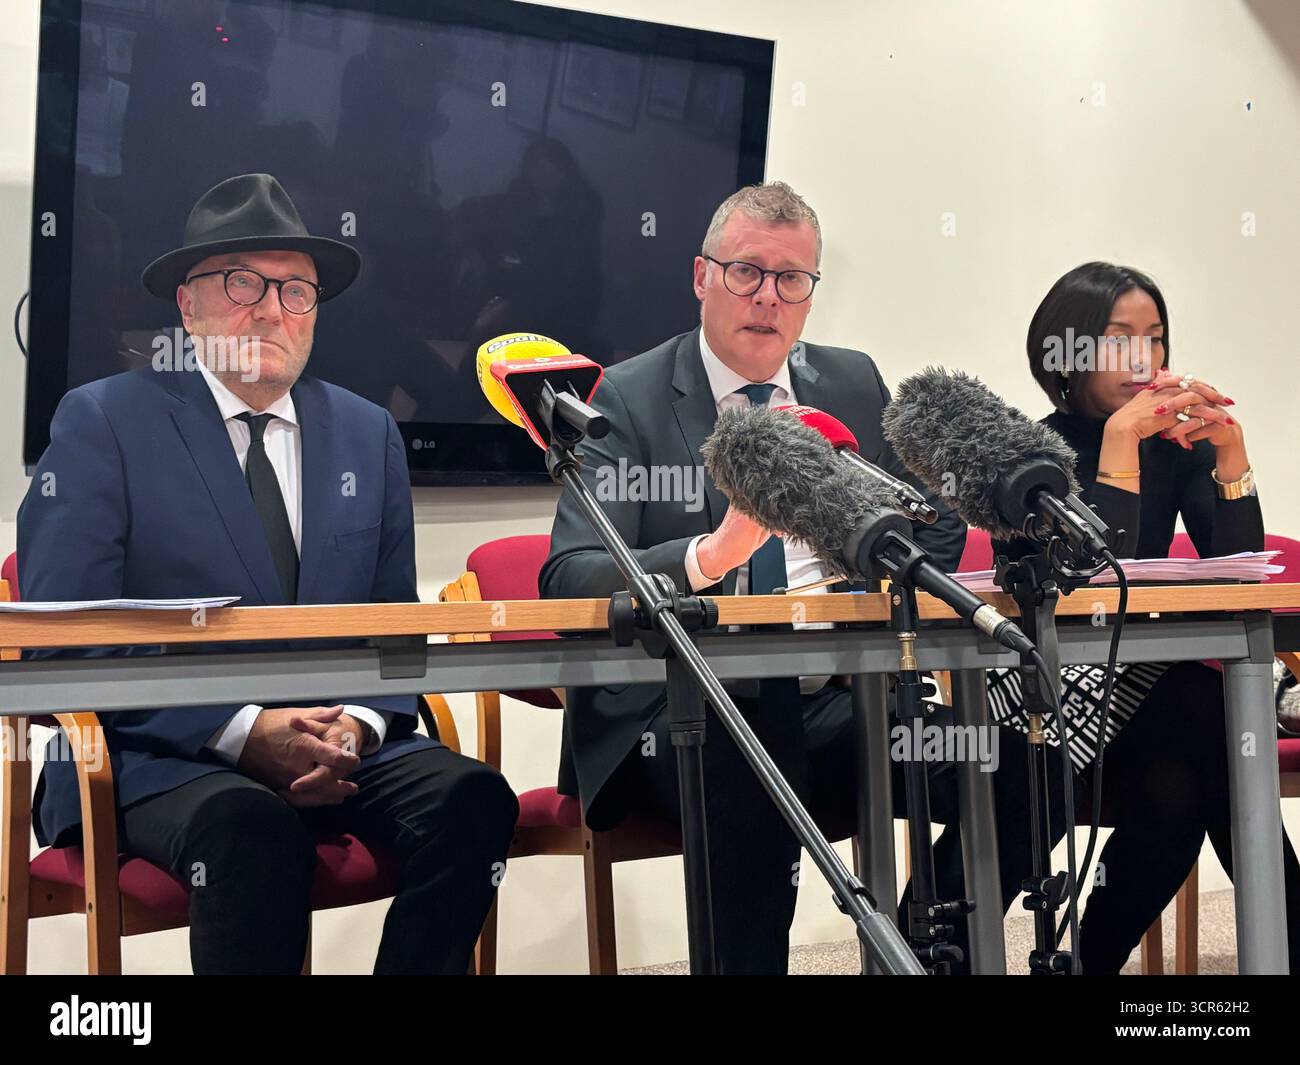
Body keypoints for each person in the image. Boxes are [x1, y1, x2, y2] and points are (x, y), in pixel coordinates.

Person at [541, 180, 1060, 973]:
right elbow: (569, 576)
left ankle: (926, 941)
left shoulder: (848, 381)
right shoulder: (627, 395)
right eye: (746, 271)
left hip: (839, 700)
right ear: (700, 277)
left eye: (793, 280)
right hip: (681, 714)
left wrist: (891, 556)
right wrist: (710, 555)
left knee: (1024, 757)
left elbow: (933, 522)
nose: (768, 298)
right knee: (749, 753)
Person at [19, 173, 518, 975]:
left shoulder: (368, 433)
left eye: (297, 290)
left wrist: (354, 723)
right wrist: (245, 730)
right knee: (250, 827)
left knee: (475, 798)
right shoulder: (104, 419)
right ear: (188, 306)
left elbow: (396, 627)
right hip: (156, 750)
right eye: (242, 282)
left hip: (338, 739)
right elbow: (65, 641)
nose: (271, 308)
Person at [989, 260, 1300, 972]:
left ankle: (1092, 963)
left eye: (1154, 338)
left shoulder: (1174, 448)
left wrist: (1231, 456)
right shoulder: (1023, 455)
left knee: (1187, 770)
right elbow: (1091, 577)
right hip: (1045, 695)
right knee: (1202, 730)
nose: (1143, 357)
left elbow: (1237, 573)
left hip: (1140, 686)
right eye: (1117, 337)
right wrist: (1120, 444)